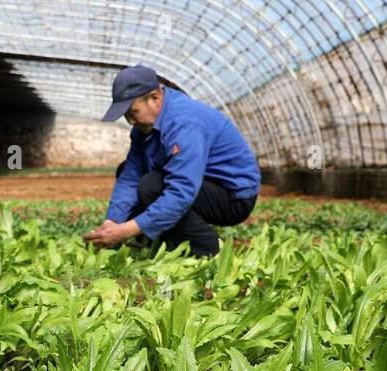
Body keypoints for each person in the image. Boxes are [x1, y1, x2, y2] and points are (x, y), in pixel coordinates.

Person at [84, 65, 260, 258]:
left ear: (154, 98)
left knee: (152, 186)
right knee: (128, 170)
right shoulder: (143, 129)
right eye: (126, 116)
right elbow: (131, 176)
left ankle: (208, 249)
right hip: (200, 185)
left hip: (233, 197)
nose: (131, 121)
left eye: (133, 112)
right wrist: (113, 221)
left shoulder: (183, 123)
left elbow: (182, 190)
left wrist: (126, 230)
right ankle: (154, 241)